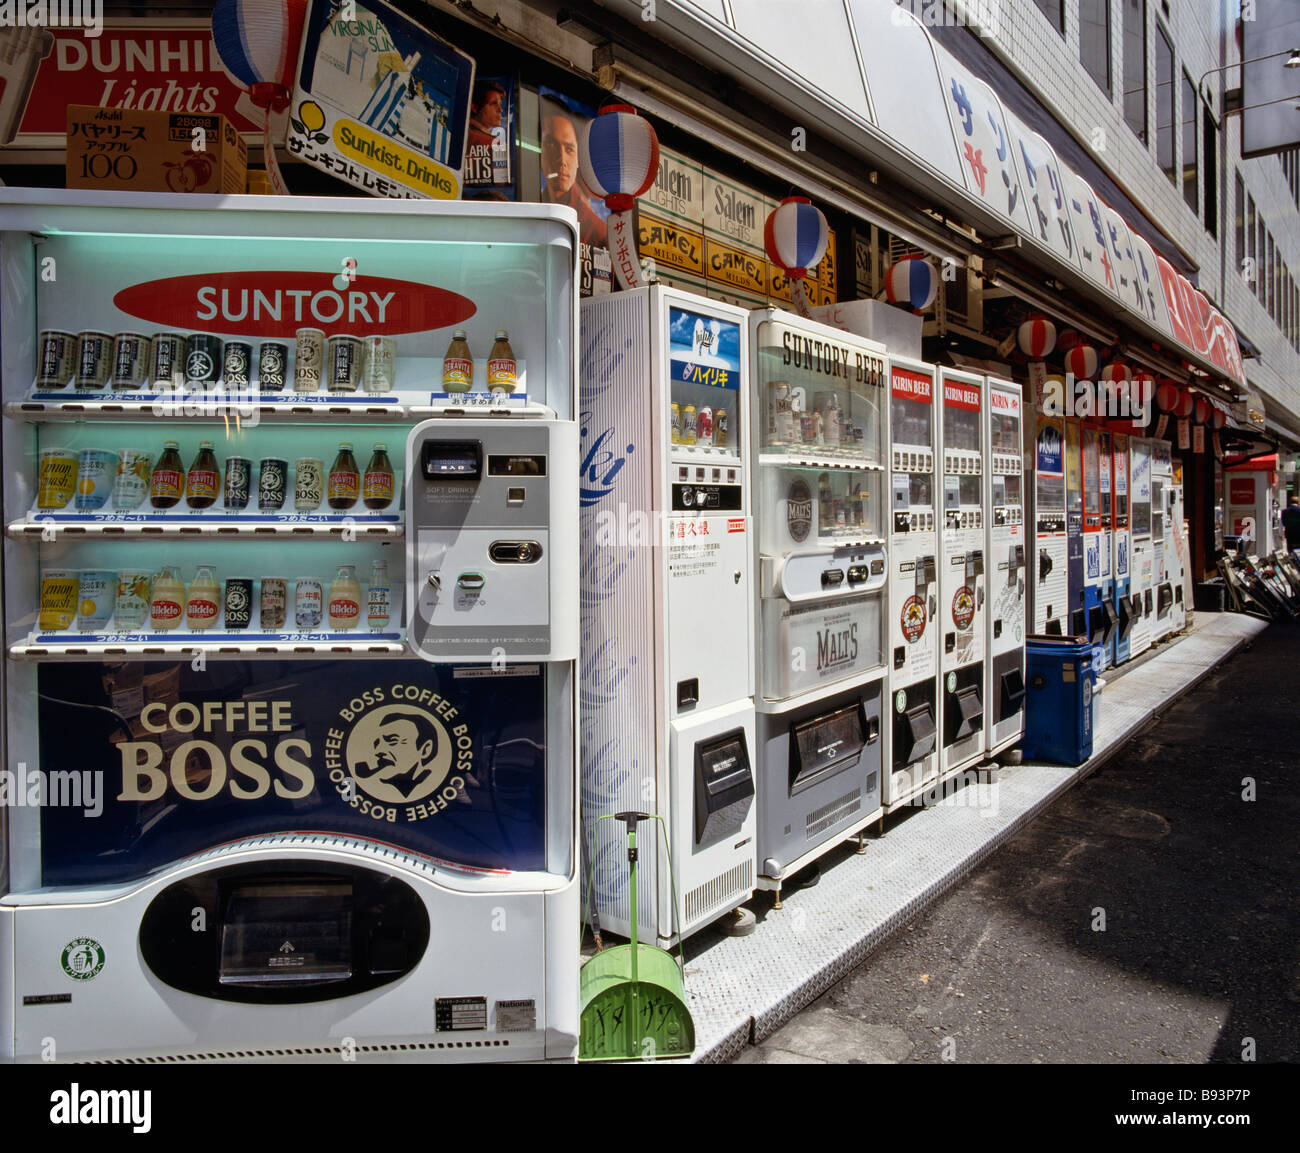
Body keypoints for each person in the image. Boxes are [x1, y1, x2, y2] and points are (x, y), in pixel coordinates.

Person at [539, 109, 607, 249]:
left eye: (569, 149)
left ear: (578, 160)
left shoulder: (598, 232)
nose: (562, 160)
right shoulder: (532, 202)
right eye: (551, 145)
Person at [352, 707, 445, 804]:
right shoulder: (370, 787)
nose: (378, 751)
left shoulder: (439, 788)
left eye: (392, 741)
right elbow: (347, 800)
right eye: (377, 743)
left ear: (425, 750)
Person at [468, 80, 506, 150]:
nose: (500, 110)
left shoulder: (464, 132)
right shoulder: (493, 144)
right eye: (494, 103)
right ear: (474, 107)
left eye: (499, 104)